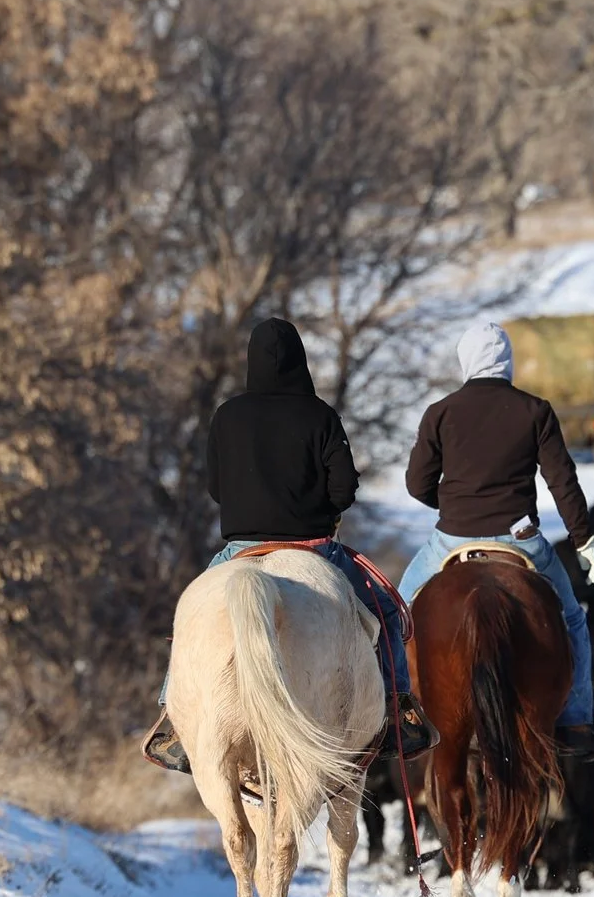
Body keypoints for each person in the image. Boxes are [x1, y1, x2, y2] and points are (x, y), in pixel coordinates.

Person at [144, 317, 437, 775]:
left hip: (239, 550)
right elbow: (344, 492)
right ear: (300, 360)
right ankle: (400, 709)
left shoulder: (227, 415)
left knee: (190, 620)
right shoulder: (319, 415)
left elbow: (217, 488)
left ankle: (172, 721)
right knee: (384, 610)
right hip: (314, 548)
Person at [397, 321, 594, 761]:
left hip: (450, 538)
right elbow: (562, 482)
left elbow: (416, 483)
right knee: (573, 619)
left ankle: (401, 715)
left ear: (466, 361)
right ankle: (575, 718)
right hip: (521, 539)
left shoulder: (440, 412)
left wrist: (455, 504)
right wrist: (583, 539)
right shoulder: (535, 410)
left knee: (396, 615)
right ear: (508, 362)